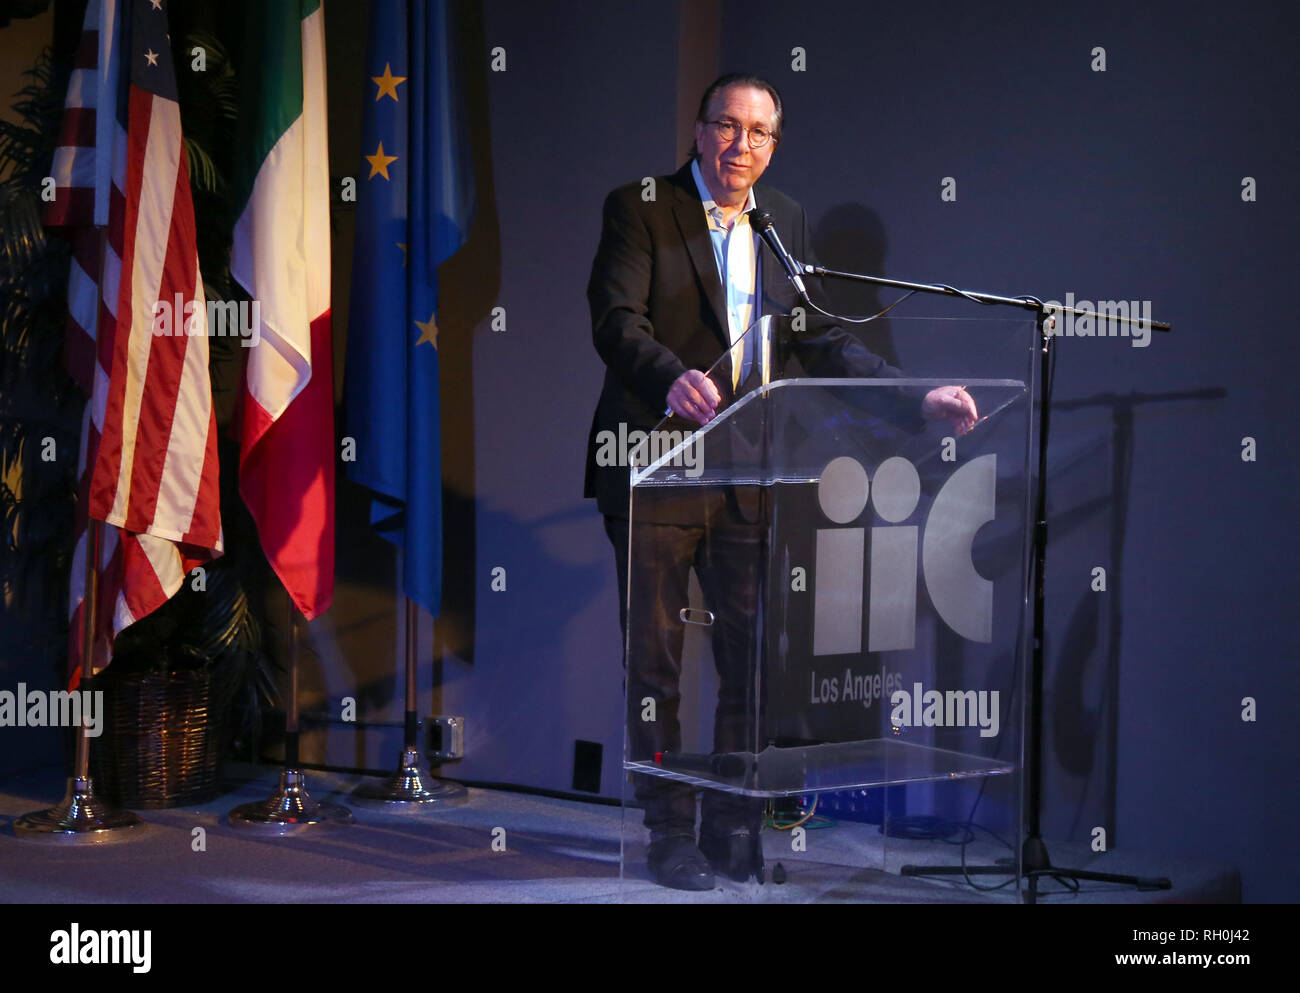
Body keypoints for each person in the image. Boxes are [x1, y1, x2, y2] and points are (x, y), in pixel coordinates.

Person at [585, 73, 977, 890]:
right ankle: (668, 833)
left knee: (751, 660)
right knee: (655, 665)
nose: (742, 145)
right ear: (698, 132)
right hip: (654, 462)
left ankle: (732, 825)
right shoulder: (641, 205)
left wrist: (919, 396)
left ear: (774, 144)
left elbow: (820, 340)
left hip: (747, 475)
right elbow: (616, 317)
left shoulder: (780, 220)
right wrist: (669, 377)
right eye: (727, 127)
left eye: (760, 133)